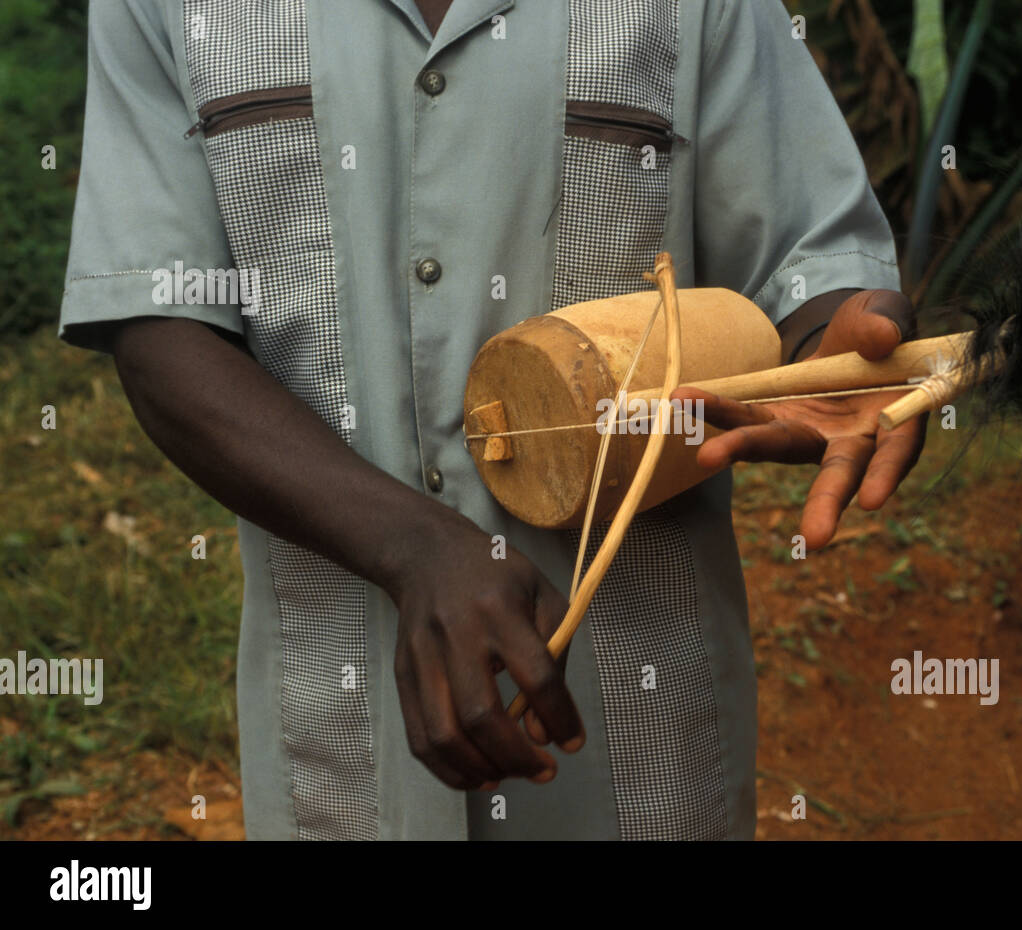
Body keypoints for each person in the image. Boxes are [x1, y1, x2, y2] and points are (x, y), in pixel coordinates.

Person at [59, 0, 924, 840]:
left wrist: (839, 348)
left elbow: (808, 270)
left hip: (640, 744)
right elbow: (163, 333)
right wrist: (412, 546)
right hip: (338, 753)